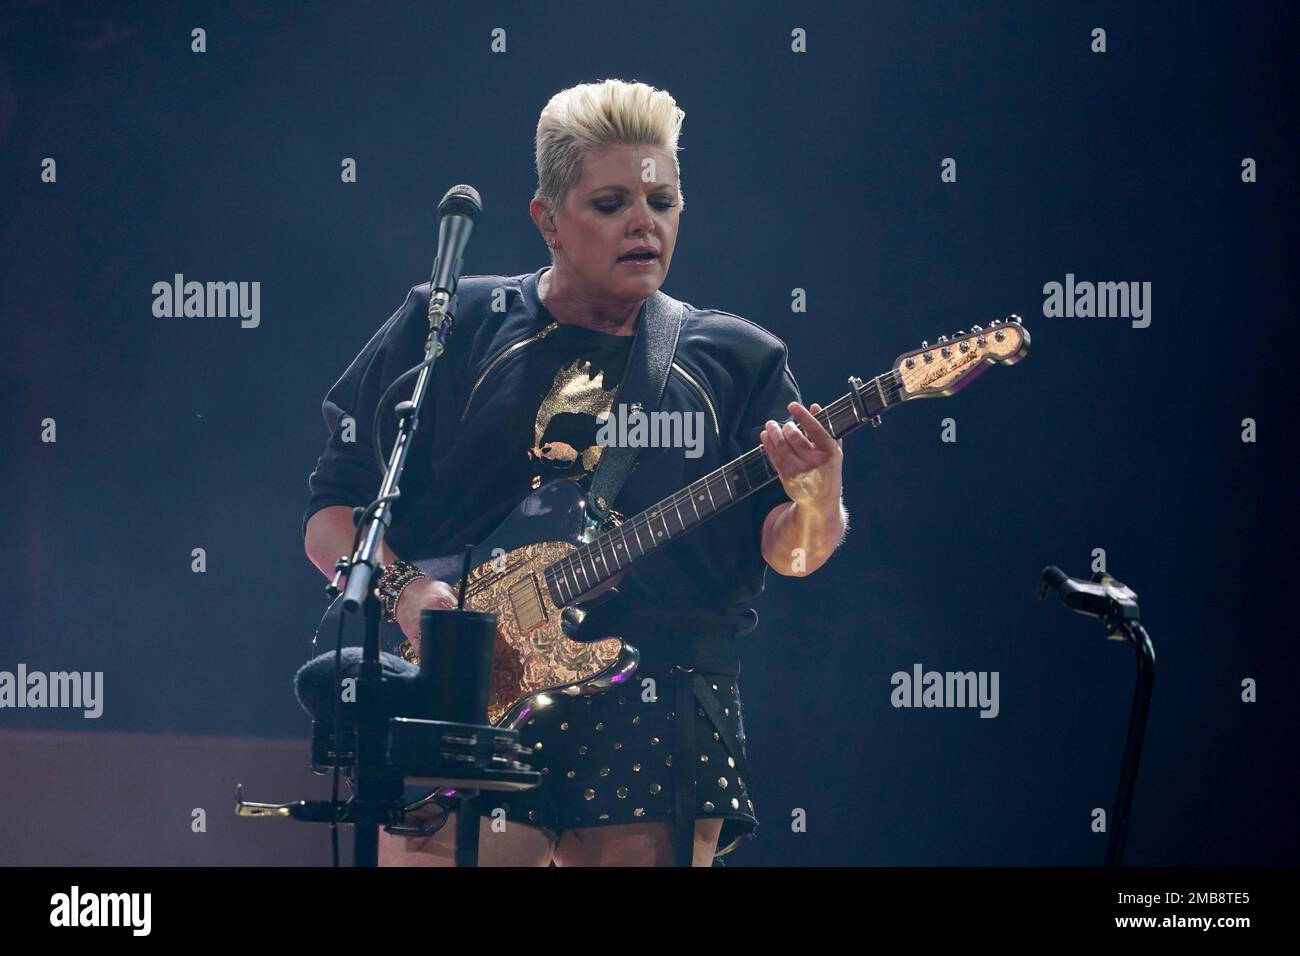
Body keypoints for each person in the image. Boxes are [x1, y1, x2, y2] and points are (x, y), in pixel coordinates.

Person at [301, 79, 849, 866]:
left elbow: (796, 554)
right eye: (611, 203)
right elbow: (333, 514)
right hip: (470, 694)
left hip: (659, 703)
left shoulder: (738, 360)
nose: (643, 225)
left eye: (662, 205)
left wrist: (817, 491)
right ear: (547, 219)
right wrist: (406, 592)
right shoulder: (452, 327)